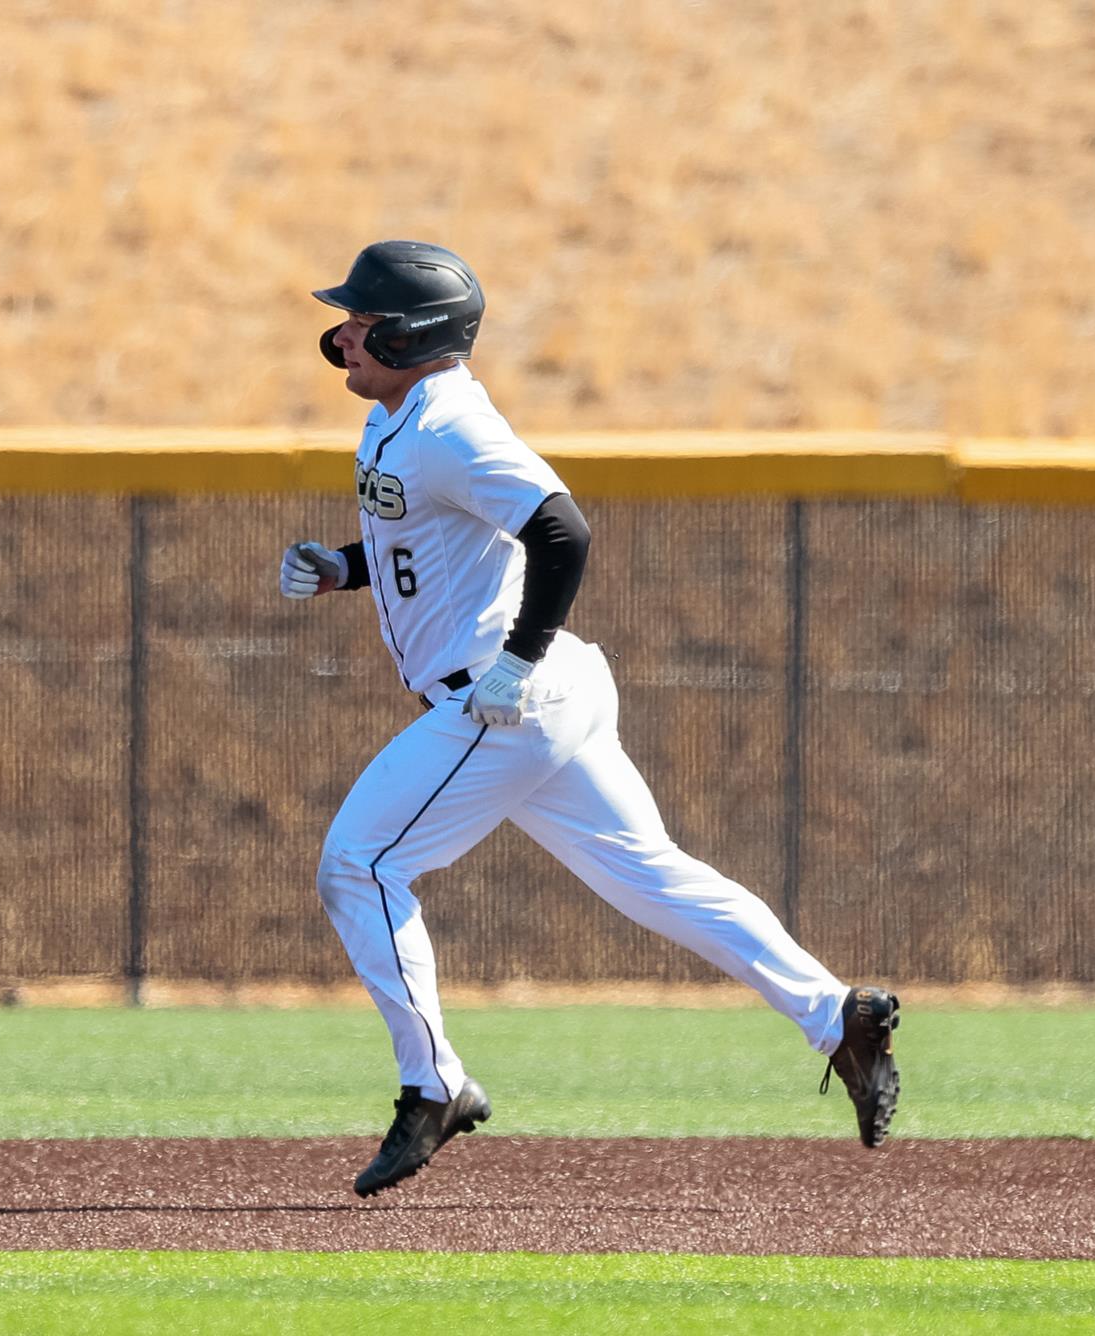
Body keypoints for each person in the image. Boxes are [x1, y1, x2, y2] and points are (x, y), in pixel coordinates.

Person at [279, 240, 901, 1198]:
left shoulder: (448, 423)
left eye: (361, 319)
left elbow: (562, 528)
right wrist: (346, 568)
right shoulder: (399, 420)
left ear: (412, 334)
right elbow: (433, 540)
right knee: (658, 880)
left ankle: (432, 1084)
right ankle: (838, 1015)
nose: (344, 333)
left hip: (504, 697)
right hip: (539, 692)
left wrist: (518, 661)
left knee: (358, 863)